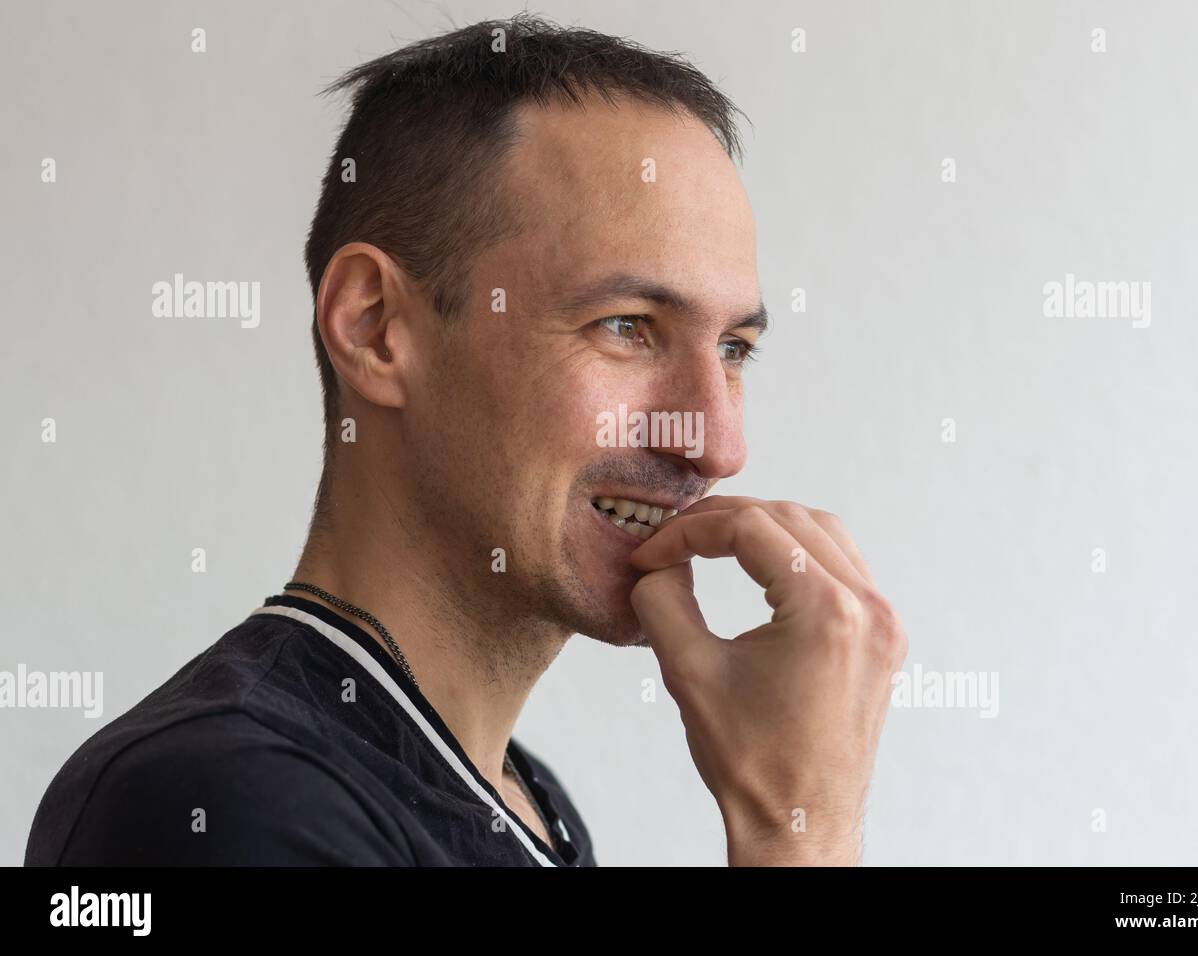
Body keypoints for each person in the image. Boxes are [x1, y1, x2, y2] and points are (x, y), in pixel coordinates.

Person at [25, 13, 907, 867]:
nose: (716, 444)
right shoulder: (214, 804)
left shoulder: (528, 804)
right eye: (628, 326)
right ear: (374, 328)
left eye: (733, 349)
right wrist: (798, 832)